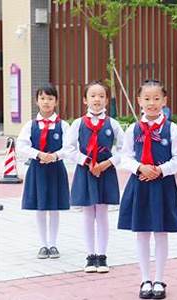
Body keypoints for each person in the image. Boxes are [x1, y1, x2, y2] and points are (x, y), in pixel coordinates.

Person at [118, 80, 177, 299]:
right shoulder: (133, 128)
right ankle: (145, 279)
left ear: (165, 101)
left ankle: (159, 279)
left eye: (157, 98)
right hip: (140, 185)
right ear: (139, 102)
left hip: (162, 186)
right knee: (142, 233)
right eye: (147, 99)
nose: (152, 103)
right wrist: (140, 167)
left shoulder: (171, 128)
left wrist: (160, 170)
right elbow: (124, 157)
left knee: (161, 231)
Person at [64, 80, 124, 273]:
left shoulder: (112, 124)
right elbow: (69, 149)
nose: (97, 99)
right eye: (93, 95)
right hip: (86, 171)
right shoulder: (78, 123)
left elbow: (125, 149)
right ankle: (90, 256)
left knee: (103, 214)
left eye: (101, 96)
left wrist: (108, 163)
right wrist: (87, 161)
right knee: (88, 214)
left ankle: (102, 255)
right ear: (85, 100)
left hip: (105, 171)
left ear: (107, 99)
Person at [17, 84, 71, 259]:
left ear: (56, 101)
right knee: (40, 207)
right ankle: (43, 244)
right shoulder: (30, 125)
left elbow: (70, 147)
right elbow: (21, 146)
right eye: (42, 98)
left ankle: (53, 244)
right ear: (36, 101)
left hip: (56, 169)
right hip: (37, 170)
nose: (46, 102)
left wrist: (55, 156)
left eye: (50, 98)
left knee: (54, 207)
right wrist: (38, 154)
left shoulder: (63, 125)